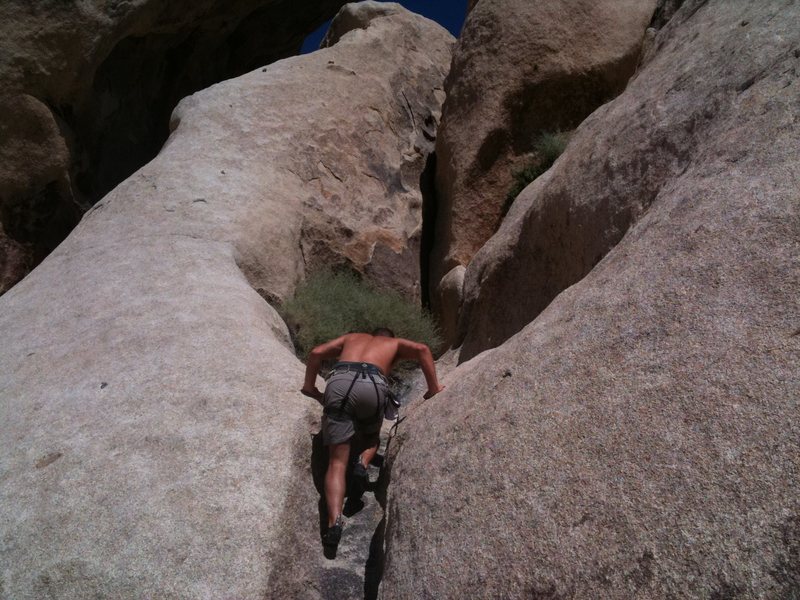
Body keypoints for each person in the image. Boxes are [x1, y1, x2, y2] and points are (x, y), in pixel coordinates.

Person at [300, 327, 444, 555]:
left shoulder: (352, 338)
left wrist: (310, 388)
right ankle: (363, 464)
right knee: (371, 436)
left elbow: (317, 352)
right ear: (390, 339)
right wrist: (433, 389)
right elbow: (423, 349)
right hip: (373, 385)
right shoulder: (394, 346)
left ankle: (334, 523)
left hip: (340, 381)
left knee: (336, 464)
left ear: (372, 334)